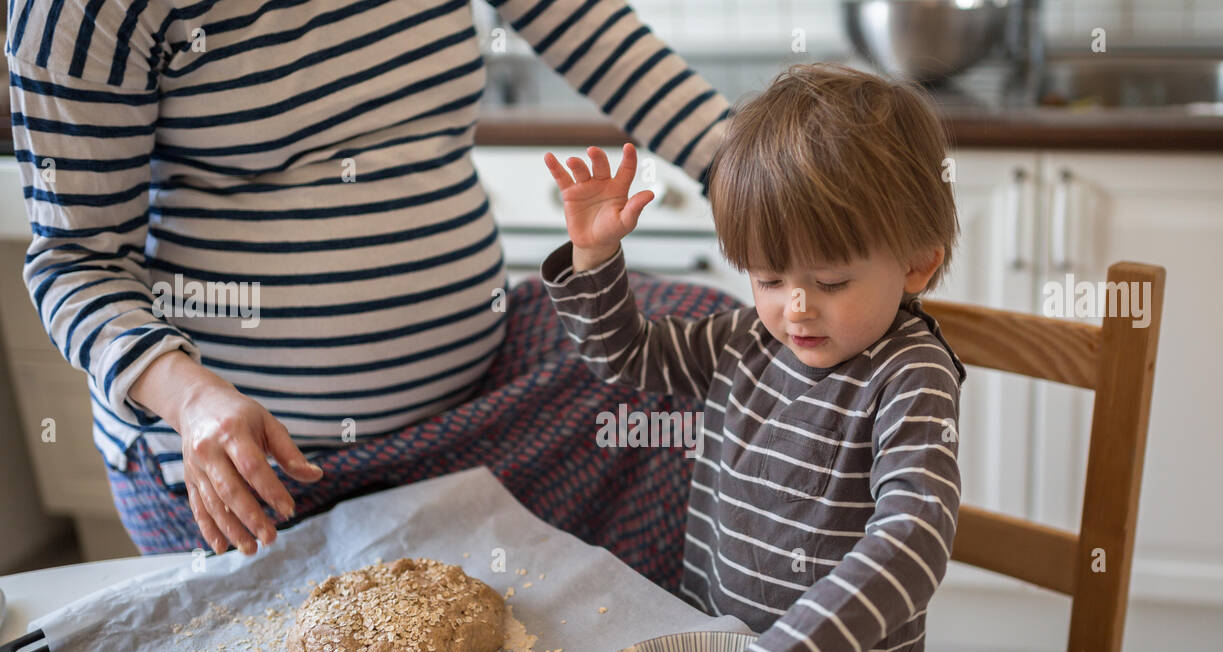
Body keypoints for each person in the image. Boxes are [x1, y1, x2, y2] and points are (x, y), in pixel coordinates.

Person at [6, 0, 736, 592]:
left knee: (708, 354)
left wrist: (773, 179)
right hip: (266, 478)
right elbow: (74, 262)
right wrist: (191, 400)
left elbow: (598, 34)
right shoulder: (76, 11)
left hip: (473, 413)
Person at [540, 62, 1054, 652]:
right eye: (770, 277)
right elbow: (628, 359)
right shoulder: (748, 339)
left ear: (917, 265)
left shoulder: (907, 373)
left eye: (832, 280)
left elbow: (914, 538)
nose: (797, 308)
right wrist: (595, 259)